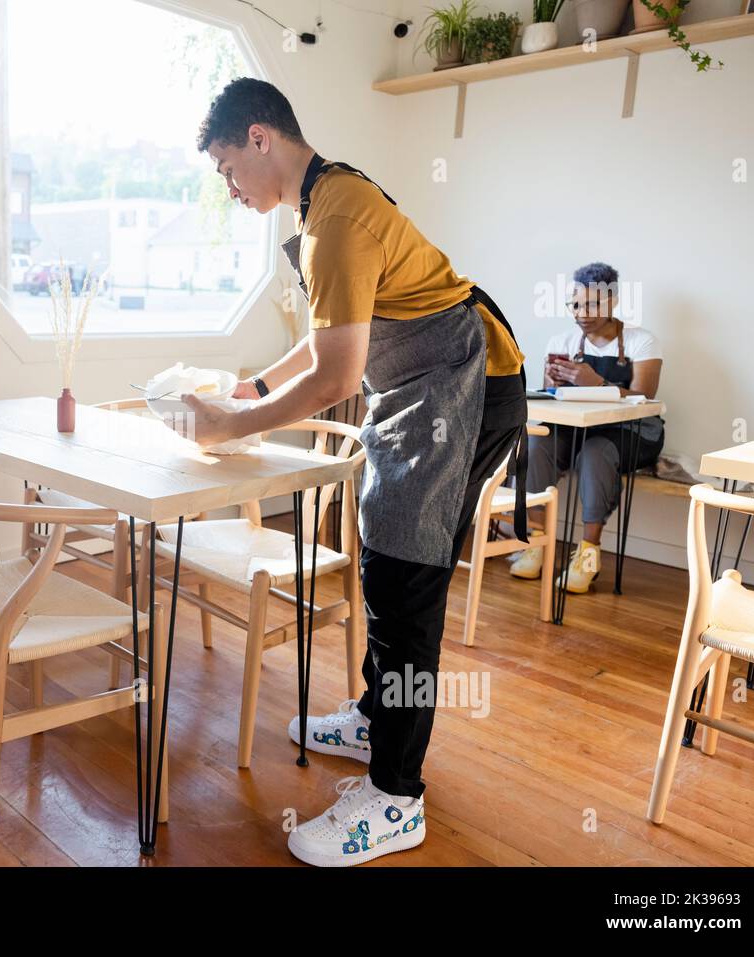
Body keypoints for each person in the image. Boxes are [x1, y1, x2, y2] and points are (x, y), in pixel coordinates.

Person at [180, 77, 529, 867]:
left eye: (229, 168)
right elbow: (336, 331)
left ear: (261, 138)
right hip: (424, 386)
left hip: (468, 385)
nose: (230, 188)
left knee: (409, 573)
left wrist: (234, 424)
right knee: (384, 550)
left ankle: (396, 797)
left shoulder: (335, 216)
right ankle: (378, 715)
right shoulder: (322, 205)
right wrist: (256, 389)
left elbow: (338, 379)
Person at [509, 262, 665, 593]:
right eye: (576, 304)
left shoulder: (642, 341)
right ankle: (536, 543)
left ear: (613, 302)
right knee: (537, 445)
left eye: (593, 304)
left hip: (633, 432)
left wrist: (597, 382)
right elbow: (552, 399)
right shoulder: (562, 340)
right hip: (578, 428)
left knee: (595, 454)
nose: (582, 312)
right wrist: (552, 385)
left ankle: (589, 556)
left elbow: (645, 396)